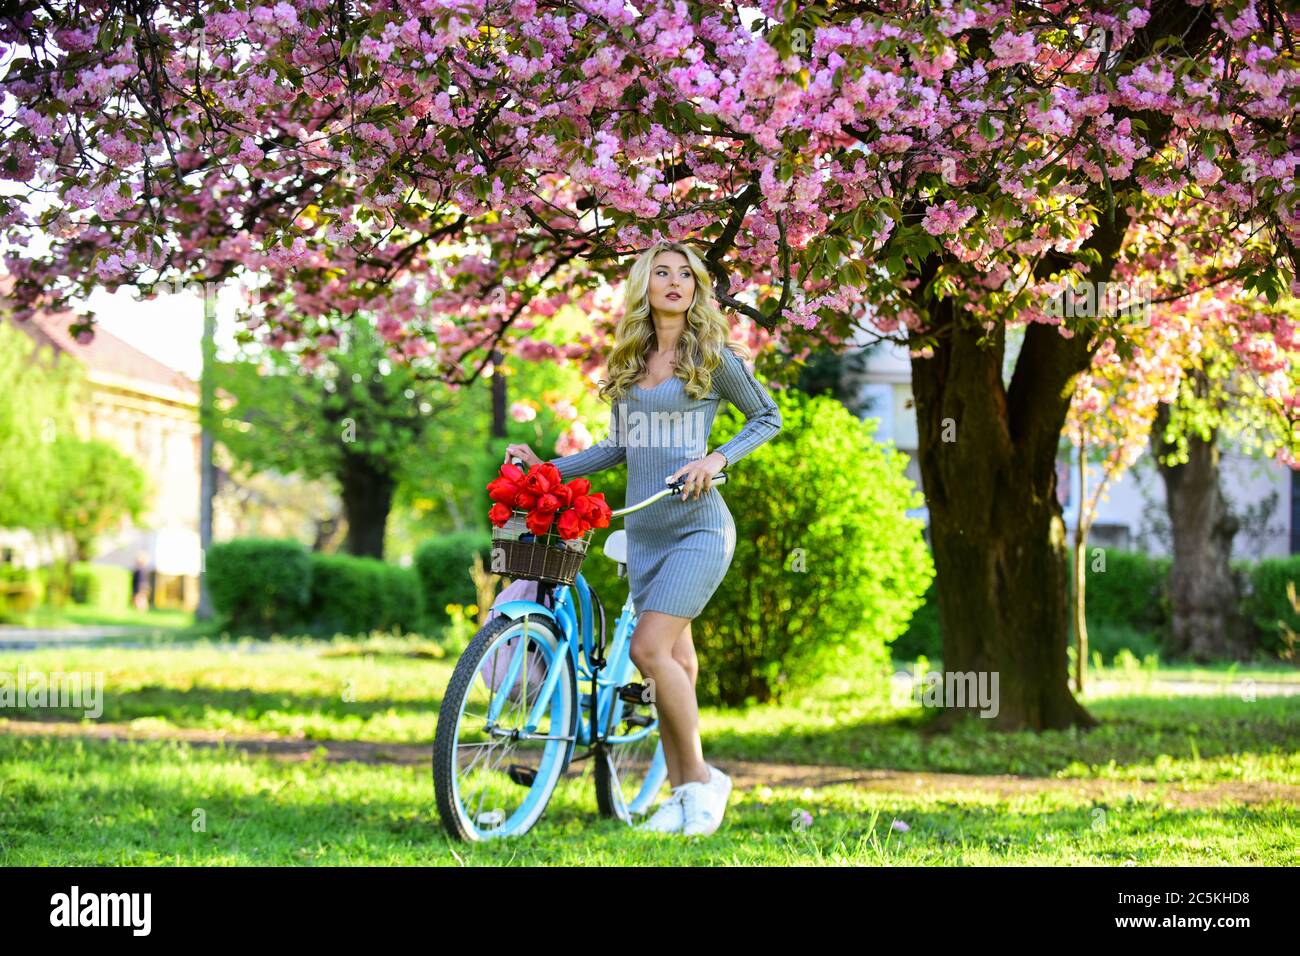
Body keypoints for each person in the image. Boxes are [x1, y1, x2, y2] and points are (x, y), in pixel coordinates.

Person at [504, 241, 783, 836]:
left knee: (648, 650)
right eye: (663, 272)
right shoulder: (629, 360)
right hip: (646, 532)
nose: (676, 281)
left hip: (700, 526)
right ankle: (689, 796)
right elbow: (616, 450)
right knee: (675, 661)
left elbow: (768, 417)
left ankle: (699, 786)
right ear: (644, 286)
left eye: (687, 274)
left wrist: (717, 458)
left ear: (698, 289)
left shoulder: (710, 356)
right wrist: (546, 469)